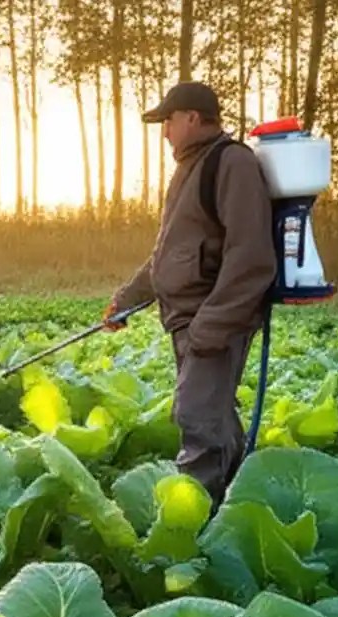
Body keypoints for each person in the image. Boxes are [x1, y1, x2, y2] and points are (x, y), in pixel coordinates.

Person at [104, 81, 276, 508]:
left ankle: (192, 529)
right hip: (189, 322)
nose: (165, 132)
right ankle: (233, 511)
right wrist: (125, 300)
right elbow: (168, 257)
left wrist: (209, 327)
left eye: (169, 121)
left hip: (211, 322)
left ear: (193, 119)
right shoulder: (190, 168)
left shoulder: (231, 163)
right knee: (214, 421)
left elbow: (251, 256)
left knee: (197, 418)